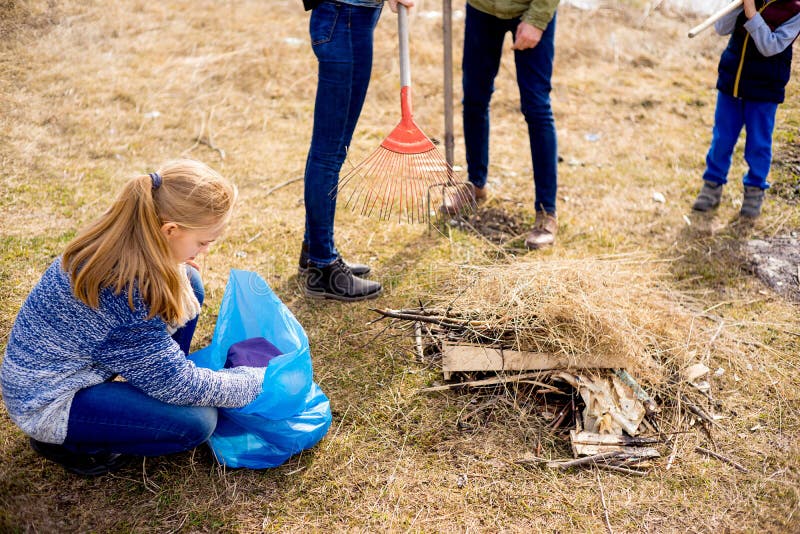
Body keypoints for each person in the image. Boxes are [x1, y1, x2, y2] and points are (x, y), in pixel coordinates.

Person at [0, 159, 266, 476]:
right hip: (46, 403)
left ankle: (153, 380)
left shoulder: (125, 239)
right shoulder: (127, 294)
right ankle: (68, 444)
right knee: (197, 422)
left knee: (187, 285)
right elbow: (179, 384)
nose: (205, 251)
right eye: (202, 242)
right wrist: (251, 383)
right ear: (170, 230)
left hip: (58, 371)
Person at [299, 0, 414, 302]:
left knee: (332, 148)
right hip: (344, 16)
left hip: (350, 16)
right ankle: (323, 267)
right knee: (329, 151)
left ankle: (314, 248)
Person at [441, 0, 560, 250]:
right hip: (482, 9)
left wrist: (537, 20)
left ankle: (546, 211)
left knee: (536, 107)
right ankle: (475, 184)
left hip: (529, 9)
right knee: (474, 98)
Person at [692, 0, 800, 218]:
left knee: (758, 143)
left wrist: (751, 13)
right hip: (732, 81)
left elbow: (771, 46)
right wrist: (738, 5)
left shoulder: (795, 11)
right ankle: (712, 184)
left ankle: (755, 189)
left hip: (765, 89)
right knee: (722, 138)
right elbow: (720, 28)